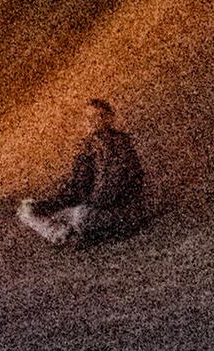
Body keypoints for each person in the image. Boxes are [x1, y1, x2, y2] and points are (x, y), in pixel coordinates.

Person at [20, 99, 150, 248]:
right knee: (31, 212)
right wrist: (47, 204)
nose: (93, 122)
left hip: (117, 212)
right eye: (89, 118)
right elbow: (77, 188)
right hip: (107, 210)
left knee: (78, 215)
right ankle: (67, 232)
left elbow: (105, 192)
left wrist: (52, 205)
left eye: (98, 117)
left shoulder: (117, 145)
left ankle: (66, 234)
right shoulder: (91, 148)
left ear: (109, 118)